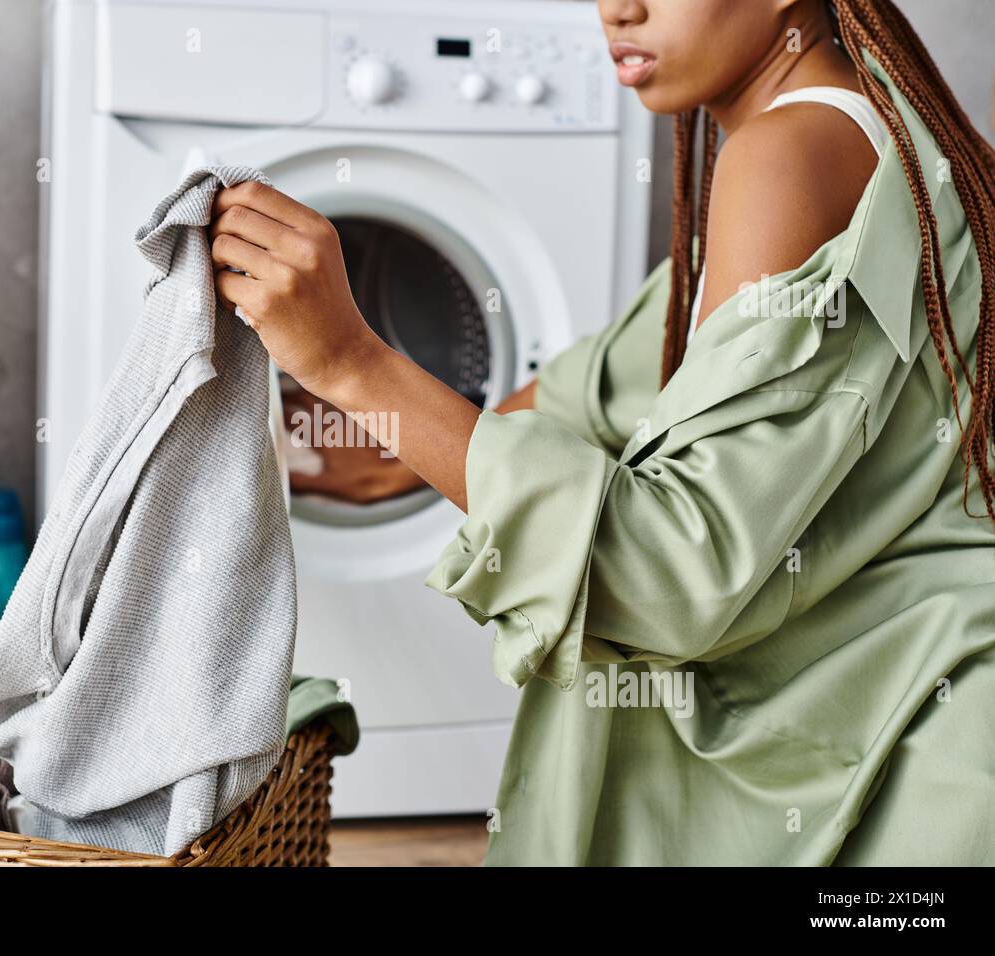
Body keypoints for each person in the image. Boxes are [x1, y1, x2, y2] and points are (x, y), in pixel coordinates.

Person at [208, 0, 995, 865]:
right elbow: (617, 383)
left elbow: (676, 582)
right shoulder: (861, 119)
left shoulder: (786, 154)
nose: (618, 9)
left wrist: (350, 364)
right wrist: (388, 445)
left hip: (912, 752)